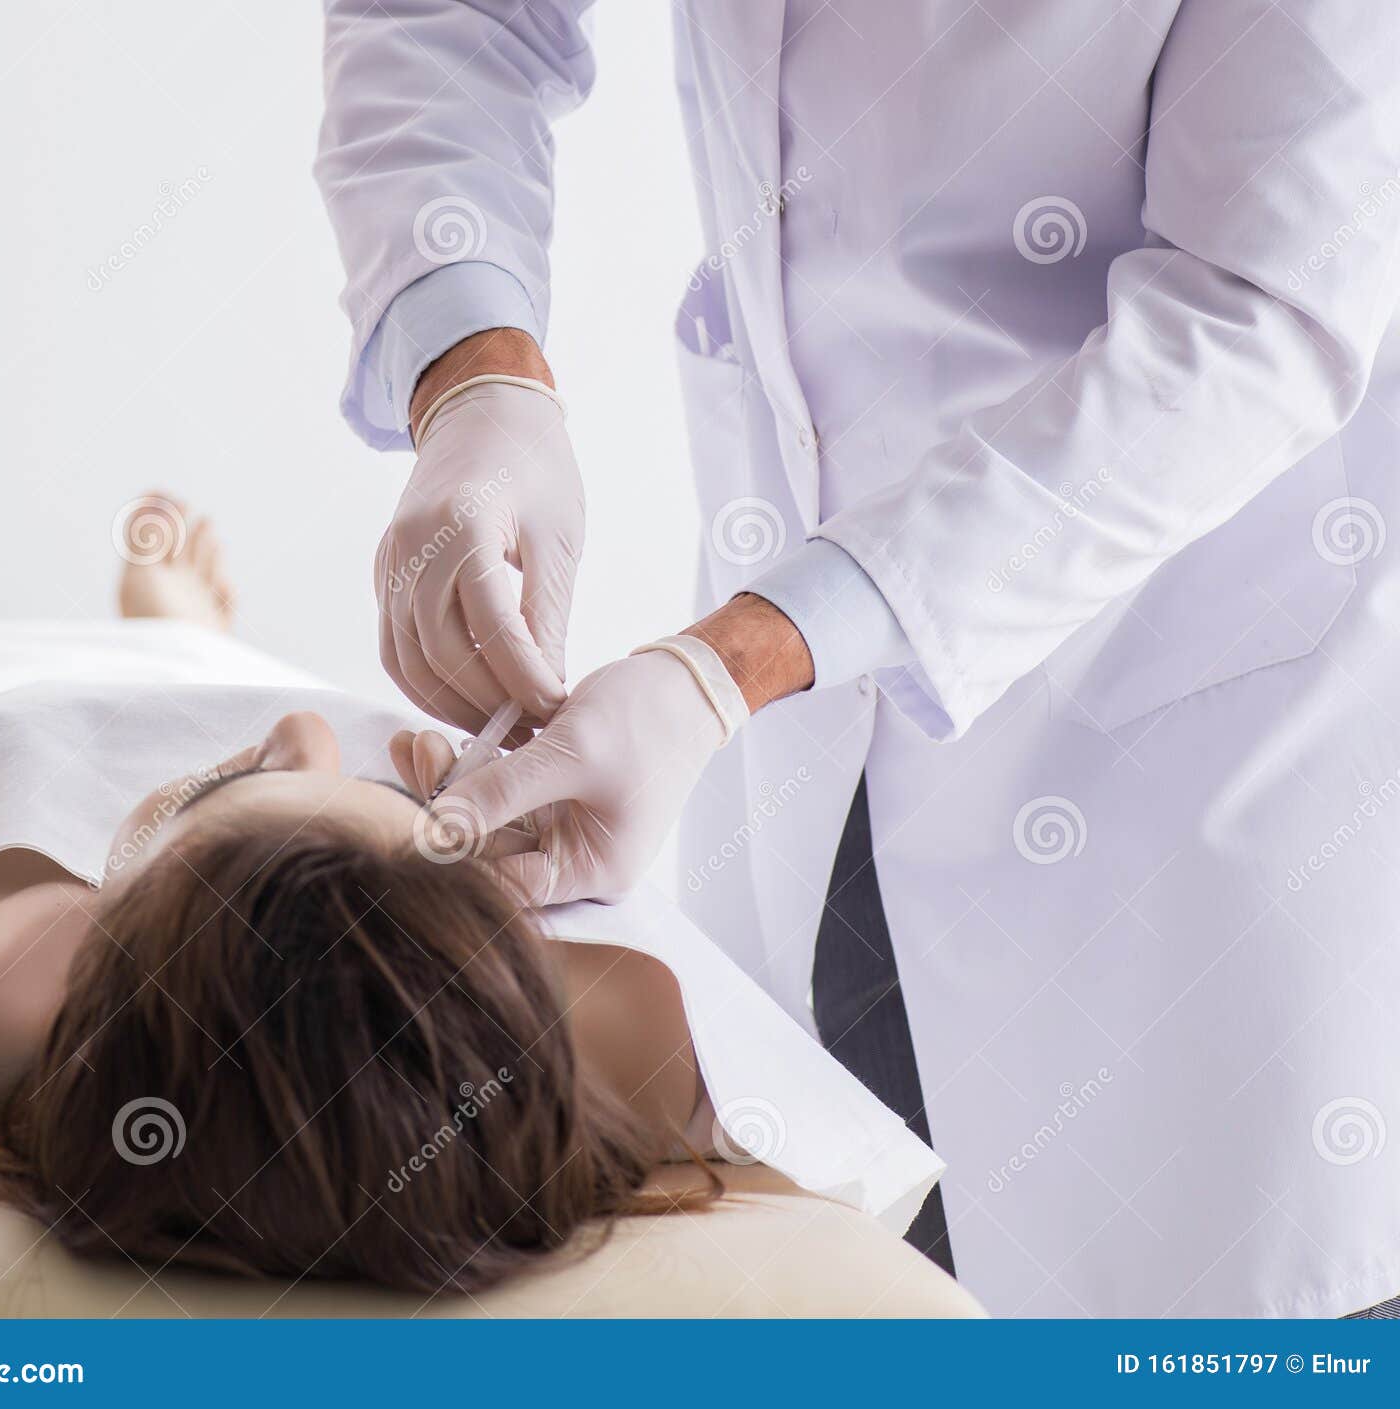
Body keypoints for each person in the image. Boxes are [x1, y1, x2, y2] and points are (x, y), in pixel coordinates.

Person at [316, 3, 1400, 1315]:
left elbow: (1262, 309)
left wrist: (739, 659)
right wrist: (476, 372)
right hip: (802, 747)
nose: (322, 745)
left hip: (1199, 724)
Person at [0, 497, 939, 1295]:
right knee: (267, 711)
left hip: (22, 714)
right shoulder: (622, 1031)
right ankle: (193, 653)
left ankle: (176, 652)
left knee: (187, 699)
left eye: (235, 785)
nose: (306, 738)